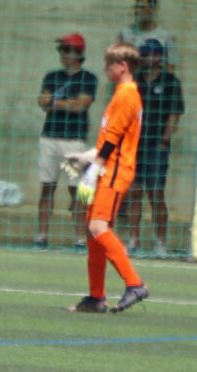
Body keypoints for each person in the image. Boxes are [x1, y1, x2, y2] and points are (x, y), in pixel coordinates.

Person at [65, 43, 148, 314]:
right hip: (107, 167)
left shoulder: (126, 96)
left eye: (109, 64)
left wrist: (92, 171)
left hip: (114, 172)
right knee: (93, 232)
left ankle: (134, 284)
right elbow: (107, 140)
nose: (105, 69)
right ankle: (96, 297)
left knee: (99, 227)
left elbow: (112, 142)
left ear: (122, 66)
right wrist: (85, 157)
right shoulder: (121, 95)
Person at [34, 33, 98, 251]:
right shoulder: (52, 76)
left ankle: (80, 238)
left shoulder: (88, 78)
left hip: (74, 142)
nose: (62, 55)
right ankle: (41, 236)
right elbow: (42, 102)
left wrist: (54, 102)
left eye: (65, 50)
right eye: (61, 50)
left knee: (77, 191)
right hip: (49, 138)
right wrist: (64, 103)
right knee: (47, 187)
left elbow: (80, 105)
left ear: (76, 53)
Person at [123, 39, 182, 257]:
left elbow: (174, 115)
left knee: (156, 193)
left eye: (154, 54)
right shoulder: (133, 82)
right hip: (134, 146)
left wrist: (164, 141)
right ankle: (134, 240)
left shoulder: (171, 82)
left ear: (160, 57)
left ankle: (160, 242)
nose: (150, 59)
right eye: (146, 55)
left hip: (156, 146)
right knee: (134, 192)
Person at [117, 0, 178, 73]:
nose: (137, 11)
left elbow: (170, 66)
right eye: (136, 7)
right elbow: (118, 62)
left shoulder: (166, 36)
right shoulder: (125, 34)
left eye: (142, 7)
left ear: (152, 9)